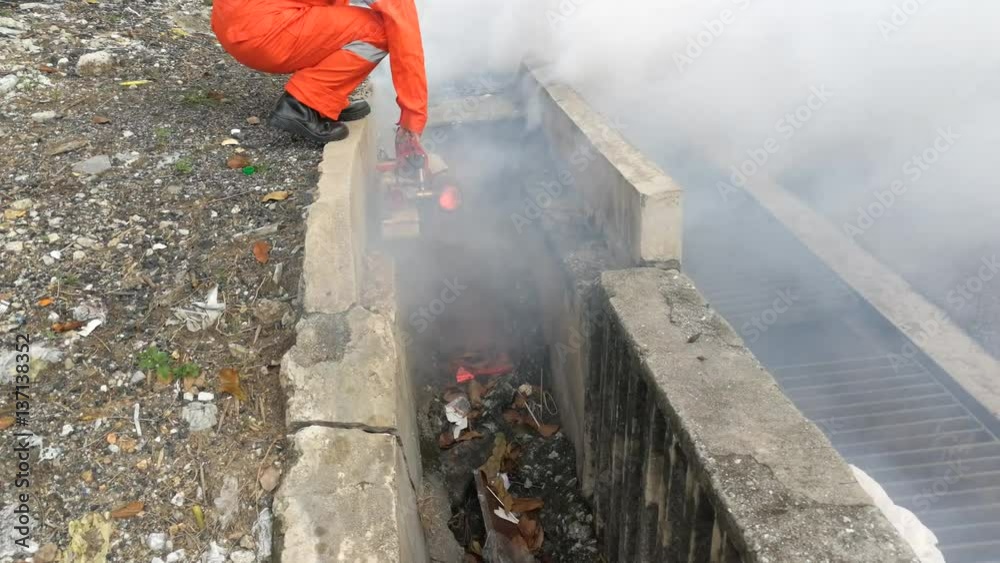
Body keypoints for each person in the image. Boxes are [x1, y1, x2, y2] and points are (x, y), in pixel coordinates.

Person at [211, 0, 428, 157]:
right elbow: (406, 43)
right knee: (381, 30)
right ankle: (302, 106)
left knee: (345, 16)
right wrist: (412, 120)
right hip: (261, 32)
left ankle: (325, 99)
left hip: (231, 22)